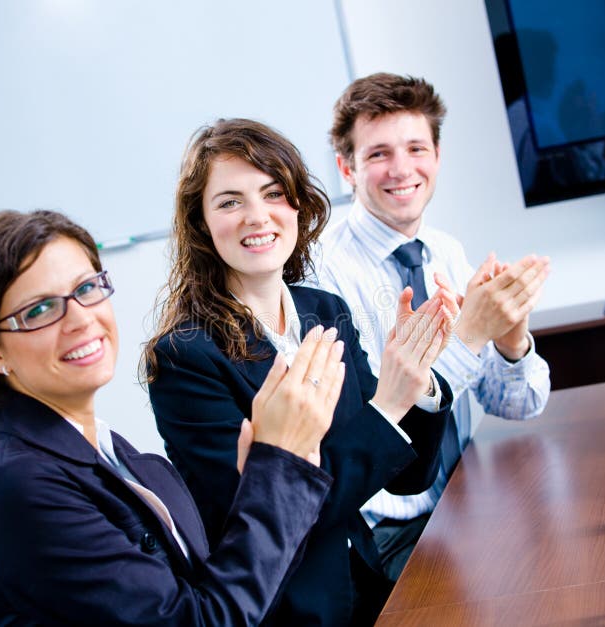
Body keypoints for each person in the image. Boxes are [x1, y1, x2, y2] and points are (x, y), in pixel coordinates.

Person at [0, 209, 342, 626]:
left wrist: (260, 483)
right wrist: (279, 469)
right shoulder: (21, 484)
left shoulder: (114, 453)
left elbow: (214, 590)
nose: (80, 319)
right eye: (39, 310)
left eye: (86, 288)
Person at [144, 118, 455, 626]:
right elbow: (279, 516)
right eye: (229, 202)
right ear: (201, 224)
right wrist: (390, 404)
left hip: (366, 581)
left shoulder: (324, 311)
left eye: (273, 193)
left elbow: (406, 476)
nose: (257, 216)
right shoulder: (185, 357)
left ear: (297, 205)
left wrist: (417, 383)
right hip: (290, 609)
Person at [313, 73, 552, 580]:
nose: (402, 169)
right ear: (346, 168)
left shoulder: (446, 251)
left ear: (437, 156)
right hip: (392, 531)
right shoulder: (323, 275)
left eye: (416, 147)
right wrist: (468, 335)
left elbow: (519, 403)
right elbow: (381, 419)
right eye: (378, 153)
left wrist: (510, 339)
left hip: (469, 497)